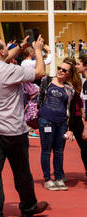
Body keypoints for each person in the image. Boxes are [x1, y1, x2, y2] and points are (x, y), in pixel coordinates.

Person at [0, 35, 49, 217]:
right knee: (21, 170)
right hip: (13, 130)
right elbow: (40, 72)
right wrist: (38, 50)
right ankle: (27, 206)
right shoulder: (11, 70)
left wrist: (21, 46)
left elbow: (3, 57)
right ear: (2, 52)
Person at [38, 58, 77, 190]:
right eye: (59, 68)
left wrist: (70, 128)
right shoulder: (47, 81)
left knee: (59, 151)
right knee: (46, 151)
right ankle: (48, 179)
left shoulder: (70, 89)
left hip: (62, 124)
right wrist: (41, 114)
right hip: (46, 121)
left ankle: (59, 178)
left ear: (69, 74)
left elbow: (71, 109)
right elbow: (39, 98)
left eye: (64, 70)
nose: (60, 71)